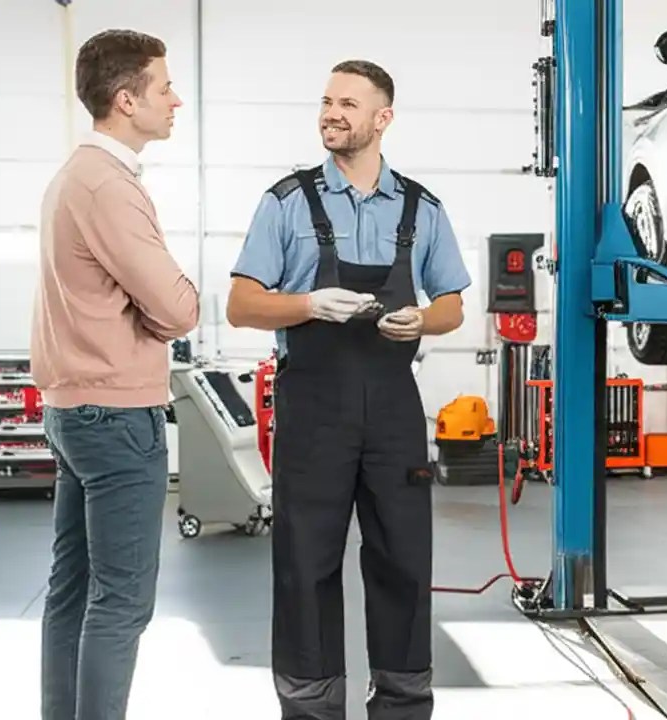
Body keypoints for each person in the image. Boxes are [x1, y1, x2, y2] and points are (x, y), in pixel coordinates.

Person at [226, 59, 471, 719]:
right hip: (314, 405)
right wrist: (307, 305)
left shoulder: (422, 207)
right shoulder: (286, 201)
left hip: (394, 407)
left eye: (348, 104)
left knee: (402, 559)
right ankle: (310, 708)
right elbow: (241, 305)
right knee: (306, 563)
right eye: (327, 101)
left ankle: (402, 702)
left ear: (382, 118)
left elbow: (452, 305)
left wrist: (421, 318)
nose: (332, 113)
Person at [30, 29, 196, 720]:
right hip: (116, 417)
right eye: (163, 88)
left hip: (73, 413)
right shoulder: (108, 187)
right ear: (127, 100)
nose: (175, 99)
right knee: (122, 602)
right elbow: (178, 307)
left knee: (72, 590)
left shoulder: (74, 176)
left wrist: (146, 311)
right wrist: (158, 318)